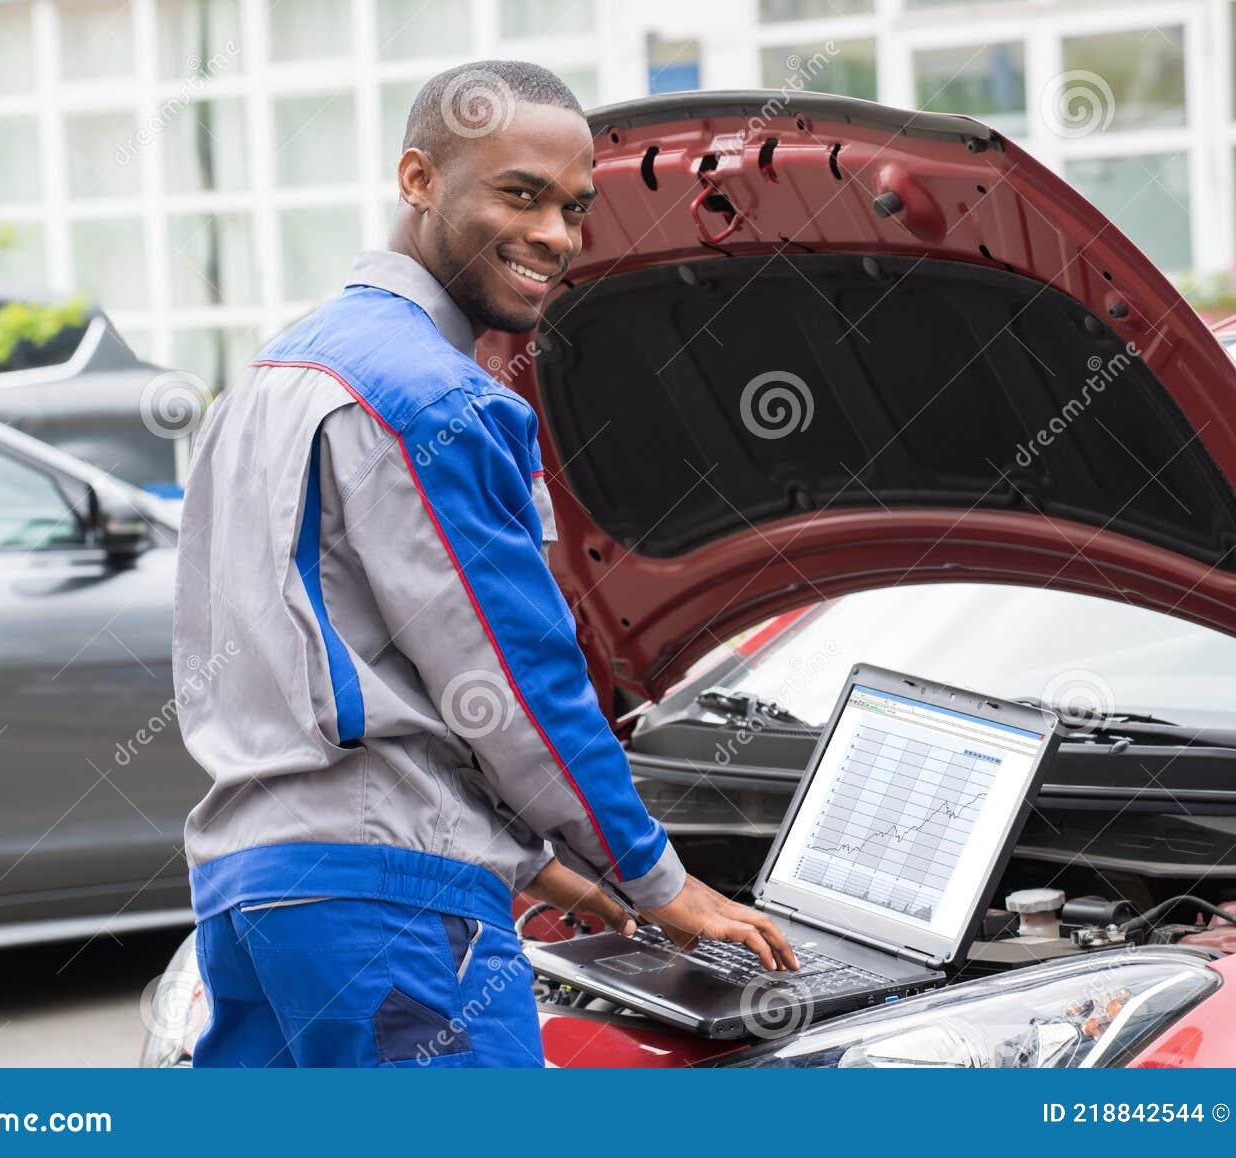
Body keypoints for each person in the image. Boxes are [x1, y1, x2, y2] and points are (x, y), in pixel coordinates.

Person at [173, 59, 796, 1069]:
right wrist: (652, 877)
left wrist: (546, 868)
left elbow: (325, 662)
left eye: (573, 206)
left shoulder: (270, 378)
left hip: (259, 894)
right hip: (389, 907)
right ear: (418, 180)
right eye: (520, 194)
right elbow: (507, 680)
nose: (556, 234)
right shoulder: (431, 399)